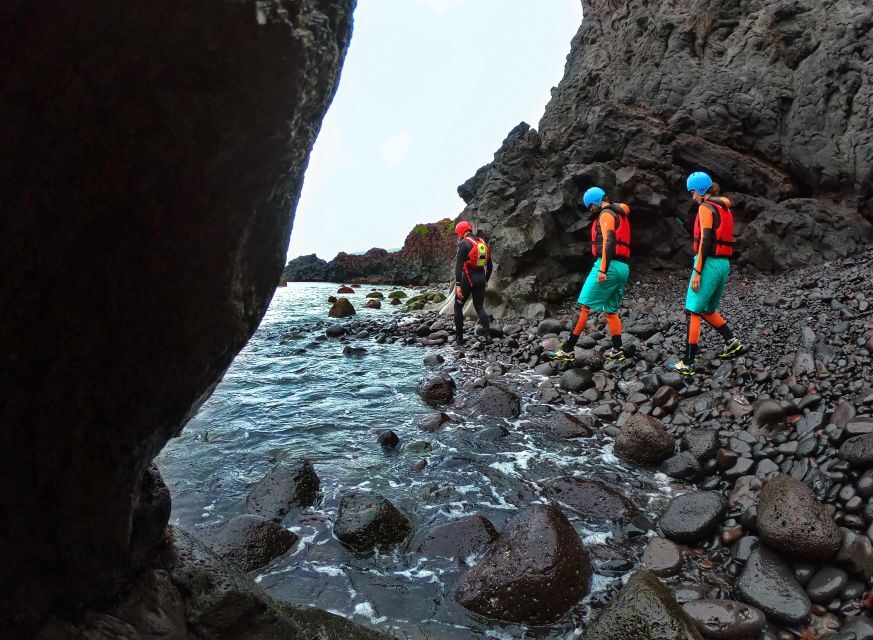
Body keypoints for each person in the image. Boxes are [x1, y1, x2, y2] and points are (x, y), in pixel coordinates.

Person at [668, 171, 743, 376]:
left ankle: (688, 361)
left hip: (708, 263)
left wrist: (697, 271)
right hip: (723, 264)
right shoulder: (723, 207)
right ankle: (732, 342)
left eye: (693, 192)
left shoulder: (705, 207)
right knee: (708, 309)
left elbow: (705, 240)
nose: (692, 197)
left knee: (693, 310)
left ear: (701, 191)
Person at [553, 186, 630, 361]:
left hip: (608, 266)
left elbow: (609, 241)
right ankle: (618, 349)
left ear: (595, 201)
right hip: (623, 268)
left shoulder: (605, 214)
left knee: (583, 307)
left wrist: (603, 269)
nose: (590, 210)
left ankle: (568, 349)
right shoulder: (620, 212)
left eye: (590, 206)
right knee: (611, 310)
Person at [453, 220, 492, 346]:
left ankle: (459, 339)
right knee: (479, 307)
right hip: (481, 277)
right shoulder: (482, 243)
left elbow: (458, 266)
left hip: (468, 278)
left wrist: (458, 284)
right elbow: (490, 266)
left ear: (461, 231)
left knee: (458, 306)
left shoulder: (464, 243)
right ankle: (488, 337)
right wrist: (485, 280)